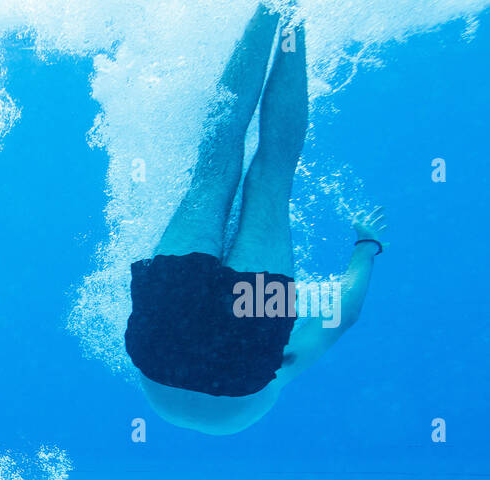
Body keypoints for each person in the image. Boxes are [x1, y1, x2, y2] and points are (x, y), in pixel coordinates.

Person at [125, 4, 387, 435]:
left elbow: (345, 316)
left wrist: (366, 245)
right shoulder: (163, 394)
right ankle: (268, 8)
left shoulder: (273, 380)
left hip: (245, 358)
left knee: (272, 176)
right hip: (161, 344)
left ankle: (291, 16)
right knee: (212, 170)